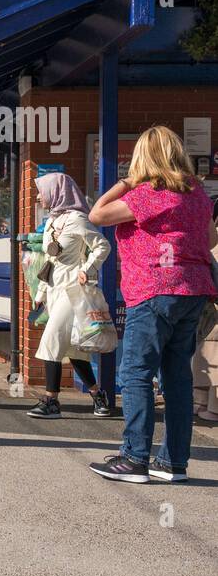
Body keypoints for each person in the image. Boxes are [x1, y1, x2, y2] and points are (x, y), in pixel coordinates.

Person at [87, 125, 218, 483]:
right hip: (192, 292)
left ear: (144, 159)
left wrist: (127, 182)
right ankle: (173, 463)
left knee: (136, 373)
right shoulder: (197, 194)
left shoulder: (147, 194)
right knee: (177, 377)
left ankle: (134, 459)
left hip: (153, 290)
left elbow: (97, 214)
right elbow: (209, 239)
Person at [26, 172, 113, 419]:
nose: (38, 197)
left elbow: (102, 245)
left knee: (51, 339)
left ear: (56, 192)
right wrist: (41, 293)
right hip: (55, 290)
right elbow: (50, 260)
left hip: (73, 290)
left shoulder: (77, 219)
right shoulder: (52, 221)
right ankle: (98, 395)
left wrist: (88, 269)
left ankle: (51, 401)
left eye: (42, 191)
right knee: (74, 349)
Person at [193, 197, 218, 421]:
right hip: (212, 308)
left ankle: (200, 403)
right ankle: (211, 406)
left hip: (207, 307)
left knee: (205, 357)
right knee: (213, 358)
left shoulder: (208, 239)